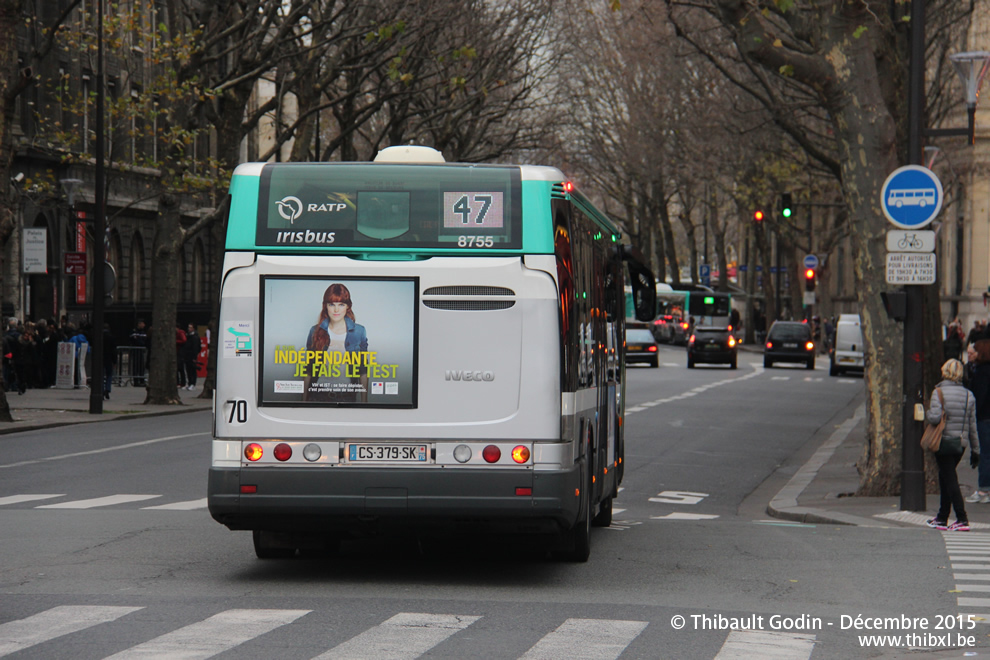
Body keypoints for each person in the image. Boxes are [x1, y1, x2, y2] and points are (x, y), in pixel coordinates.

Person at [926, 358, 980, 531]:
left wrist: (927, 412)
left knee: (949, 478)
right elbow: (972, 425)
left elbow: (934, 417)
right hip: (960, 443)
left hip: (942, 441)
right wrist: (975, 450)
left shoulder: (938, 392)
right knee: (945, 476)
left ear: (945, 371)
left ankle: (962, 518)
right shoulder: (968, 395)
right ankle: (942, 517)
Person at [304, 283, 368, 402]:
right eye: (332, 304)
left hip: (347, 397)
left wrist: (364, 402)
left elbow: (363, 372)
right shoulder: (314, 331)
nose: (336, 310)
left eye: (341, 304)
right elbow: (308, 371)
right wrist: (303, 402)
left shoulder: (359, 332)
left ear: (348, 307)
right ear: (326, 306)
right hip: (318, 396)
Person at [966, 340, 990, 505]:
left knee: (985, 454)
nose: (970, 355)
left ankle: (983, 489)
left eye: (973, 352)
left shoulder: (982, 372)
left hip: (984, 417)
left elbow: (979, 397)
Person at [182, 323, 201, 391]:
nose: (188, 329)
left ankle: (193, 383)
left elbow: (196, 347)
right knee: (188, 370)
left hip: (191, 355)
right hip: (187, 355)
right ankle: (190, 383)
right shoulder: (188, 336)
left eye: (190, 327)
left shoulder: (194, 337)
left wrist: (194, 356)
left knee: (192, 370)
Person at [102, 323, 117, 400]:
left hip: (100, 358)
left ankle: (101, 390)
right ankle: (107, 389)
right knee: (109, 374)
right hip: (109, 358)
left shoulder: (99, 337)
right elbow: (114, 350)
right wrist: (115, 361)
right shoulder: (112, 337)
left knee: (100, 375)